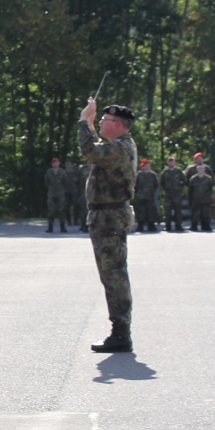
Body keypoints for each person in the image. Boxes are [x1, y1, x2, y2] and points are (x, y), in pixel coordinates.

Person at [80, 99, 138, 353]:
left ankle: (121, 332)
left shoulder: (121, 148)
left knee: (114, 274)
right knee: (112, 273)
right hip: (107, 216)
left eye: (105, 120)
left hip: (110, 217)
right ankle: (120, 330)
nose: (102, 122)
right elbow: (97, 150)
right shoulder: (117, 146)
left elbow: (90, 151)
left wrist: (85, 122)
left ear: (117, 124)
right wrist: (91, 125)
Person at [185, 153, 214, 233]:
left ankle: (206, 226)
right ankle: (194, 226)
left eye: (200, 158)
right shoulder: (190, 170)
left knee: (205, 213)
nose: (199, 160)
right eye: (197, 158)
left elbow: (211, 184)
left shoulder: (207, 169)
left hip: (205, 196)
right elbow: (187, 181)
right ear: (194, 160)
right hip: (195, 195)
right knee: (195, 212)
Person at [159, 156, 185, 233]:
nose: (171, 163)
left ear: (175, 162)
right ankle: (168, 226)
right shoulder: (165, 172)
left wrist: (179, 188)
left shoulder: (179, 171)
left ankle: (178, 225)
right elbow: (162, 183)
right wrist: (165, 189)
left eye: (172, 161)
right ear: (168, 162)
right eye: (170, 161)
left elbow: (183, 181)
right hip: (168, 194)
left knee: (178, 211)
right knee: (167, 211)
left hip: (177, 194)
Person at [132, 158, 159, 233]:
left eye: (147, 165)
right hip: (141, 197)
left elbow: (156, 185)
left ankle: (151, 225)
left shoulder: (153, 175)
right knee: (141, 212)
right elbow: (135, 185)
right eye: (144, 166)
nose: (146, 167)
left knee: (151, 212)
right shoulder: (138, 175)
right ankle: (140, 226)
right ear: (142, 167)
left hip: (150, 197)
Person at [45, 157, 69, 233]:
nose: (55, 163)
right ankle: (50, 227)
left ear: (59, 163)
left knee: (61, 210)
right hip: (51, 193)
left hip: (60, 193)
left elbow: (65, 182)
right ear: (52, 164)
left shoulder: (62, 172)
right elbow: (46, 182)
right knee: (51, 210)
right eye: (54, 162)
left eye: (57, 162)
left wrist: (62, 190)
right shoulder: (49, 172)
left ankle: (62, 227)